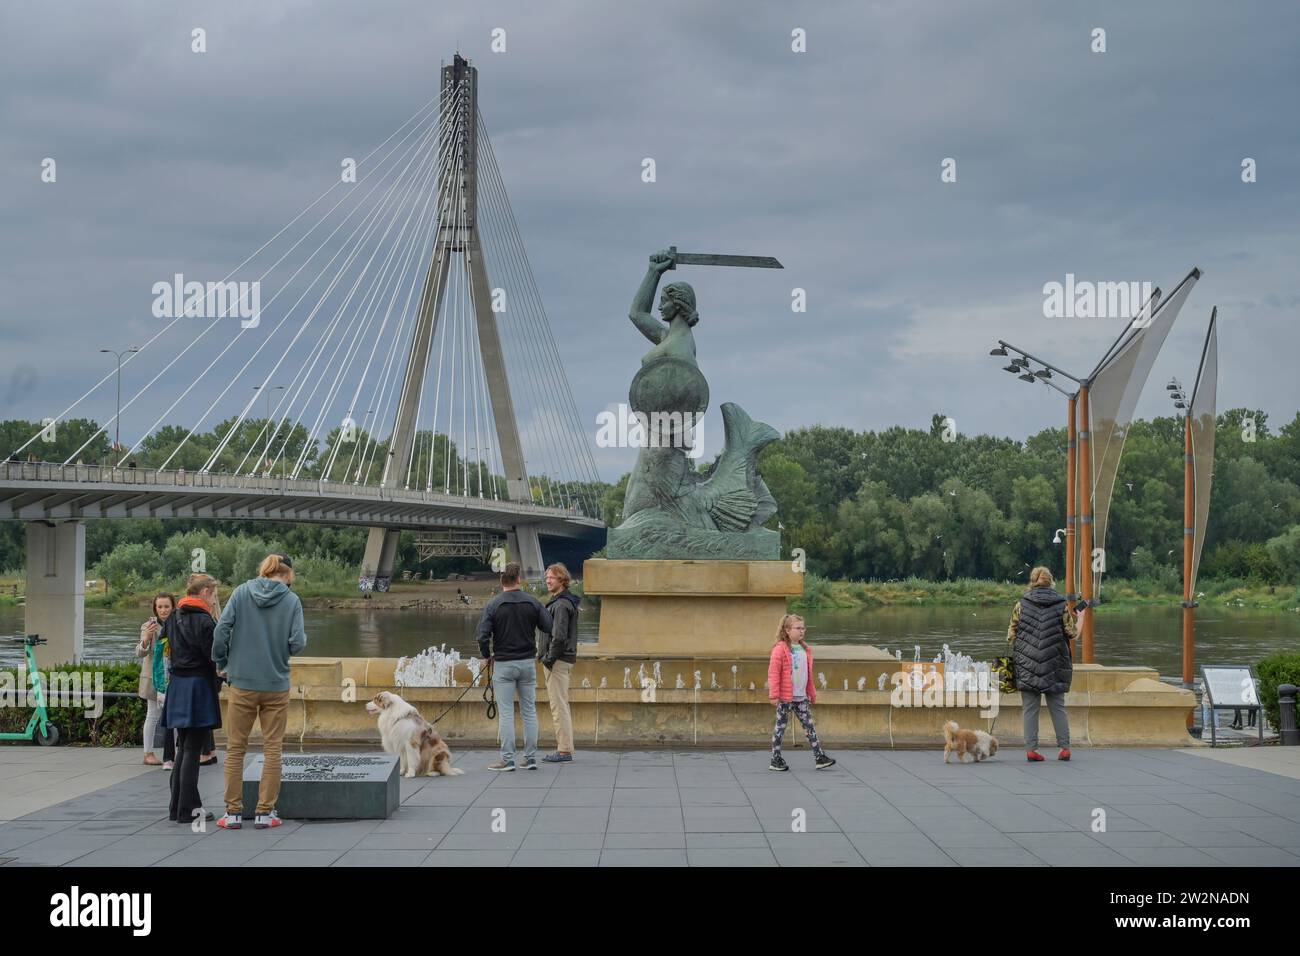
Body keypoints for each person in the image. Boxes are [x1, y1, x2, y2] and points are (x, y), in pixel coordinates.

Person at [213, 552, 308, 830]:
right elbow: (298, 642)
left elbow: (221, 631)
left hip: (242, 682)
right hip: (276, 684)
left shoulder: (242, 593)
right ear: (288, 574)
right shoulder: (291, 601)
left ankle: (232, 813)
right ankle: (265, 813)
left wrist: (222, 662)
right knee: (273, 749)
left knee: (235, 749)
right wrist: (282, 649)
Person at [475, 562, 551, 771]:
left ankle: (507, 760)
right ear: (519, 580)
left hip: (504, 663)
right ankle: (530, 757)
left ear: (502, 582)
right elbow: (548, 626)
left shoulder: (493, 604)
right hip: (527, 662)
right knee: (529, 711)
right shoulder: (532, 602)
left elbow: (482, 636)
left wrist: (486, 655)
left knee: (506, 713)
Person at [161, 573, 222, 824]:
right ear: (206, 592)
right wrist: (219, 680)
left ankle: (177, 807)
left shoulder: (174, 616)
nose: (215, 600)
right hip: (198, 686)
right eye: (214, 595)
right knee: (192, 750)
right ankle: (186, 810)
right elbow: (214, 658)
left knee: (183, 748)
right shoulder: (206, 622)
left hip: (178, 685)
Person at [1007, 566, 1078, 762]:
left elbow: (1011, 635)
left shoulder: (1021, 604)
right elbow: (1072, 633)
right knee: (1058, 706)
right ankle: (1064, 748)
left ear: (1031, 581)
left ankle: (1031, 749)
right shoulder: (1061, 604)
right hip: (1054, 663)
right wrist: (1077, 621)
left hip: (1027, 663)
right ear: (1051, 581)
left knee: (1030, 708)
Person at [767, 614, 835, 771]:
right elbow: (773, 673)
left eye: (803, 628)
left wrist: (811, 692)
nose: (802, 631)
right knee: (780, 728)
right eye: (798, 628)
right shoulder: (780, 649)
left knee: (809, 726)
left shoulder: (806, 649)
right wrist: (774, 695)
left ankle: (819, 757)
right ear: (787, 630)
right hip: (785, 697)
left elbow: (808, 675)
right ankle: (775, 759)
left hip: (801, 696)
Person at [538, 563, 579, 763]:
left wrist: (548, 659)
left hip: (558, 661)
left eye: (551, 578)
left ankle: (563, 750)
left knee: (558, 706)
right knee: (561, 704)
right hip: (562, 659)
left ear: (562, 579)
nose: (547, 581)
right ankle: (564, 748)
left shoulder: (561, 604)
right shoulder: (562, 602)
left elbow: (559, 636)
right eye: (546, 577)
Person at [136, 592, 176, 766]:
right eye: (160, 607)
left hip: (173, 676)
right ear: (155, 608)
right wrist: (146, 638)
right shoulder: (148, 626)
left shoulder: (178, 624)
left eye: (167, 606)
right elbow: (140, 652)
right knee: (152, 715)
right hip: (154, 677)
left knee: (174, 717)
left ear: (173, 607)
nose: (163, 610)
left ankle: (174, 752)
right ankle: (148, 753)